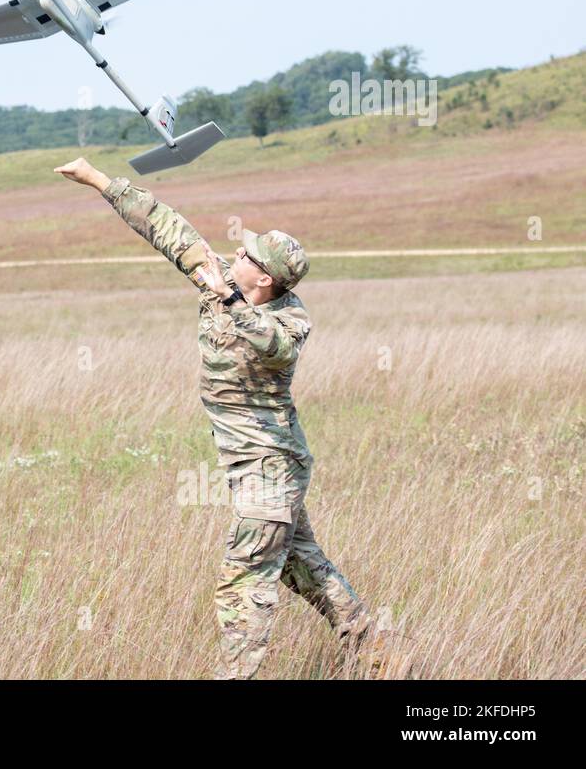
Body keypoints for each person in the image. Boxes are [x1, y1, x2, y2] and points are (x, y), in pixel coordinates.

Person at [54, 156, 404, 679]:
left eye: (245, 255)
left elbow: (276, 347)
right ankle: (377, 653)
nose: (233, 252)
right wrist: (98, 179)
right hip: (255, 465)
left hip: (270, 467)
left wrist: (230, 303)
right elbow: (165, 225)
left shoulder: (289, 317)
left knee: (243, 582)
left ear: (263, 278)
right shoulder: (218, 277)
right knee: (299, 564)